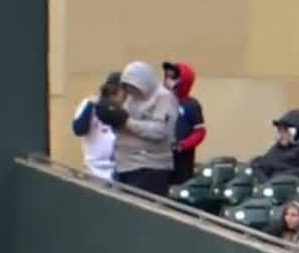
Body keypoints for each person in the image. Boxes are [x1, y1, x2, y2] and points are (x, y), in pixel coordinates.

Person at [107, 60, 178, 196]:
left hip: (150, 167)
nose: (130, 90)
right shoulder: (131, 98)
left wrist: (126, 122)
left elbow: (159, 131)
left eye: (133, 85)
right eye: (127, 86)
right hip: (124, 164)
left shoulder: (163, 97)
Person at [161, 61, 205, 186]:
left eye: (173, 77)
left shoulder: (191, 105)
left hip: (182, 160)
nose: (168, 80)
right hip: (160, 157)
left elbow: (200, 132)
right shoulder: (160, 100)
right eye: (167, 76)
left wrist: (183, 145)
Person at [251, 109, 299, 182]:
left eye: (283, 131)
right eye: (279, 131)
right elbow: (261, 165)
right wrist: (267, 182)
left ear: (295, 133)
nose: (280, 135)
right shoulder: (276, 150)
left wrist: (282, 177)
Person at [72, 71, 121, 180]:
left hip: (118, 172)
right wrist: (91, 104)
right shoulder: (90, 104)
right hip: (94, 171)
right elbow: (78, 129)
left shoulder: (125, 107)